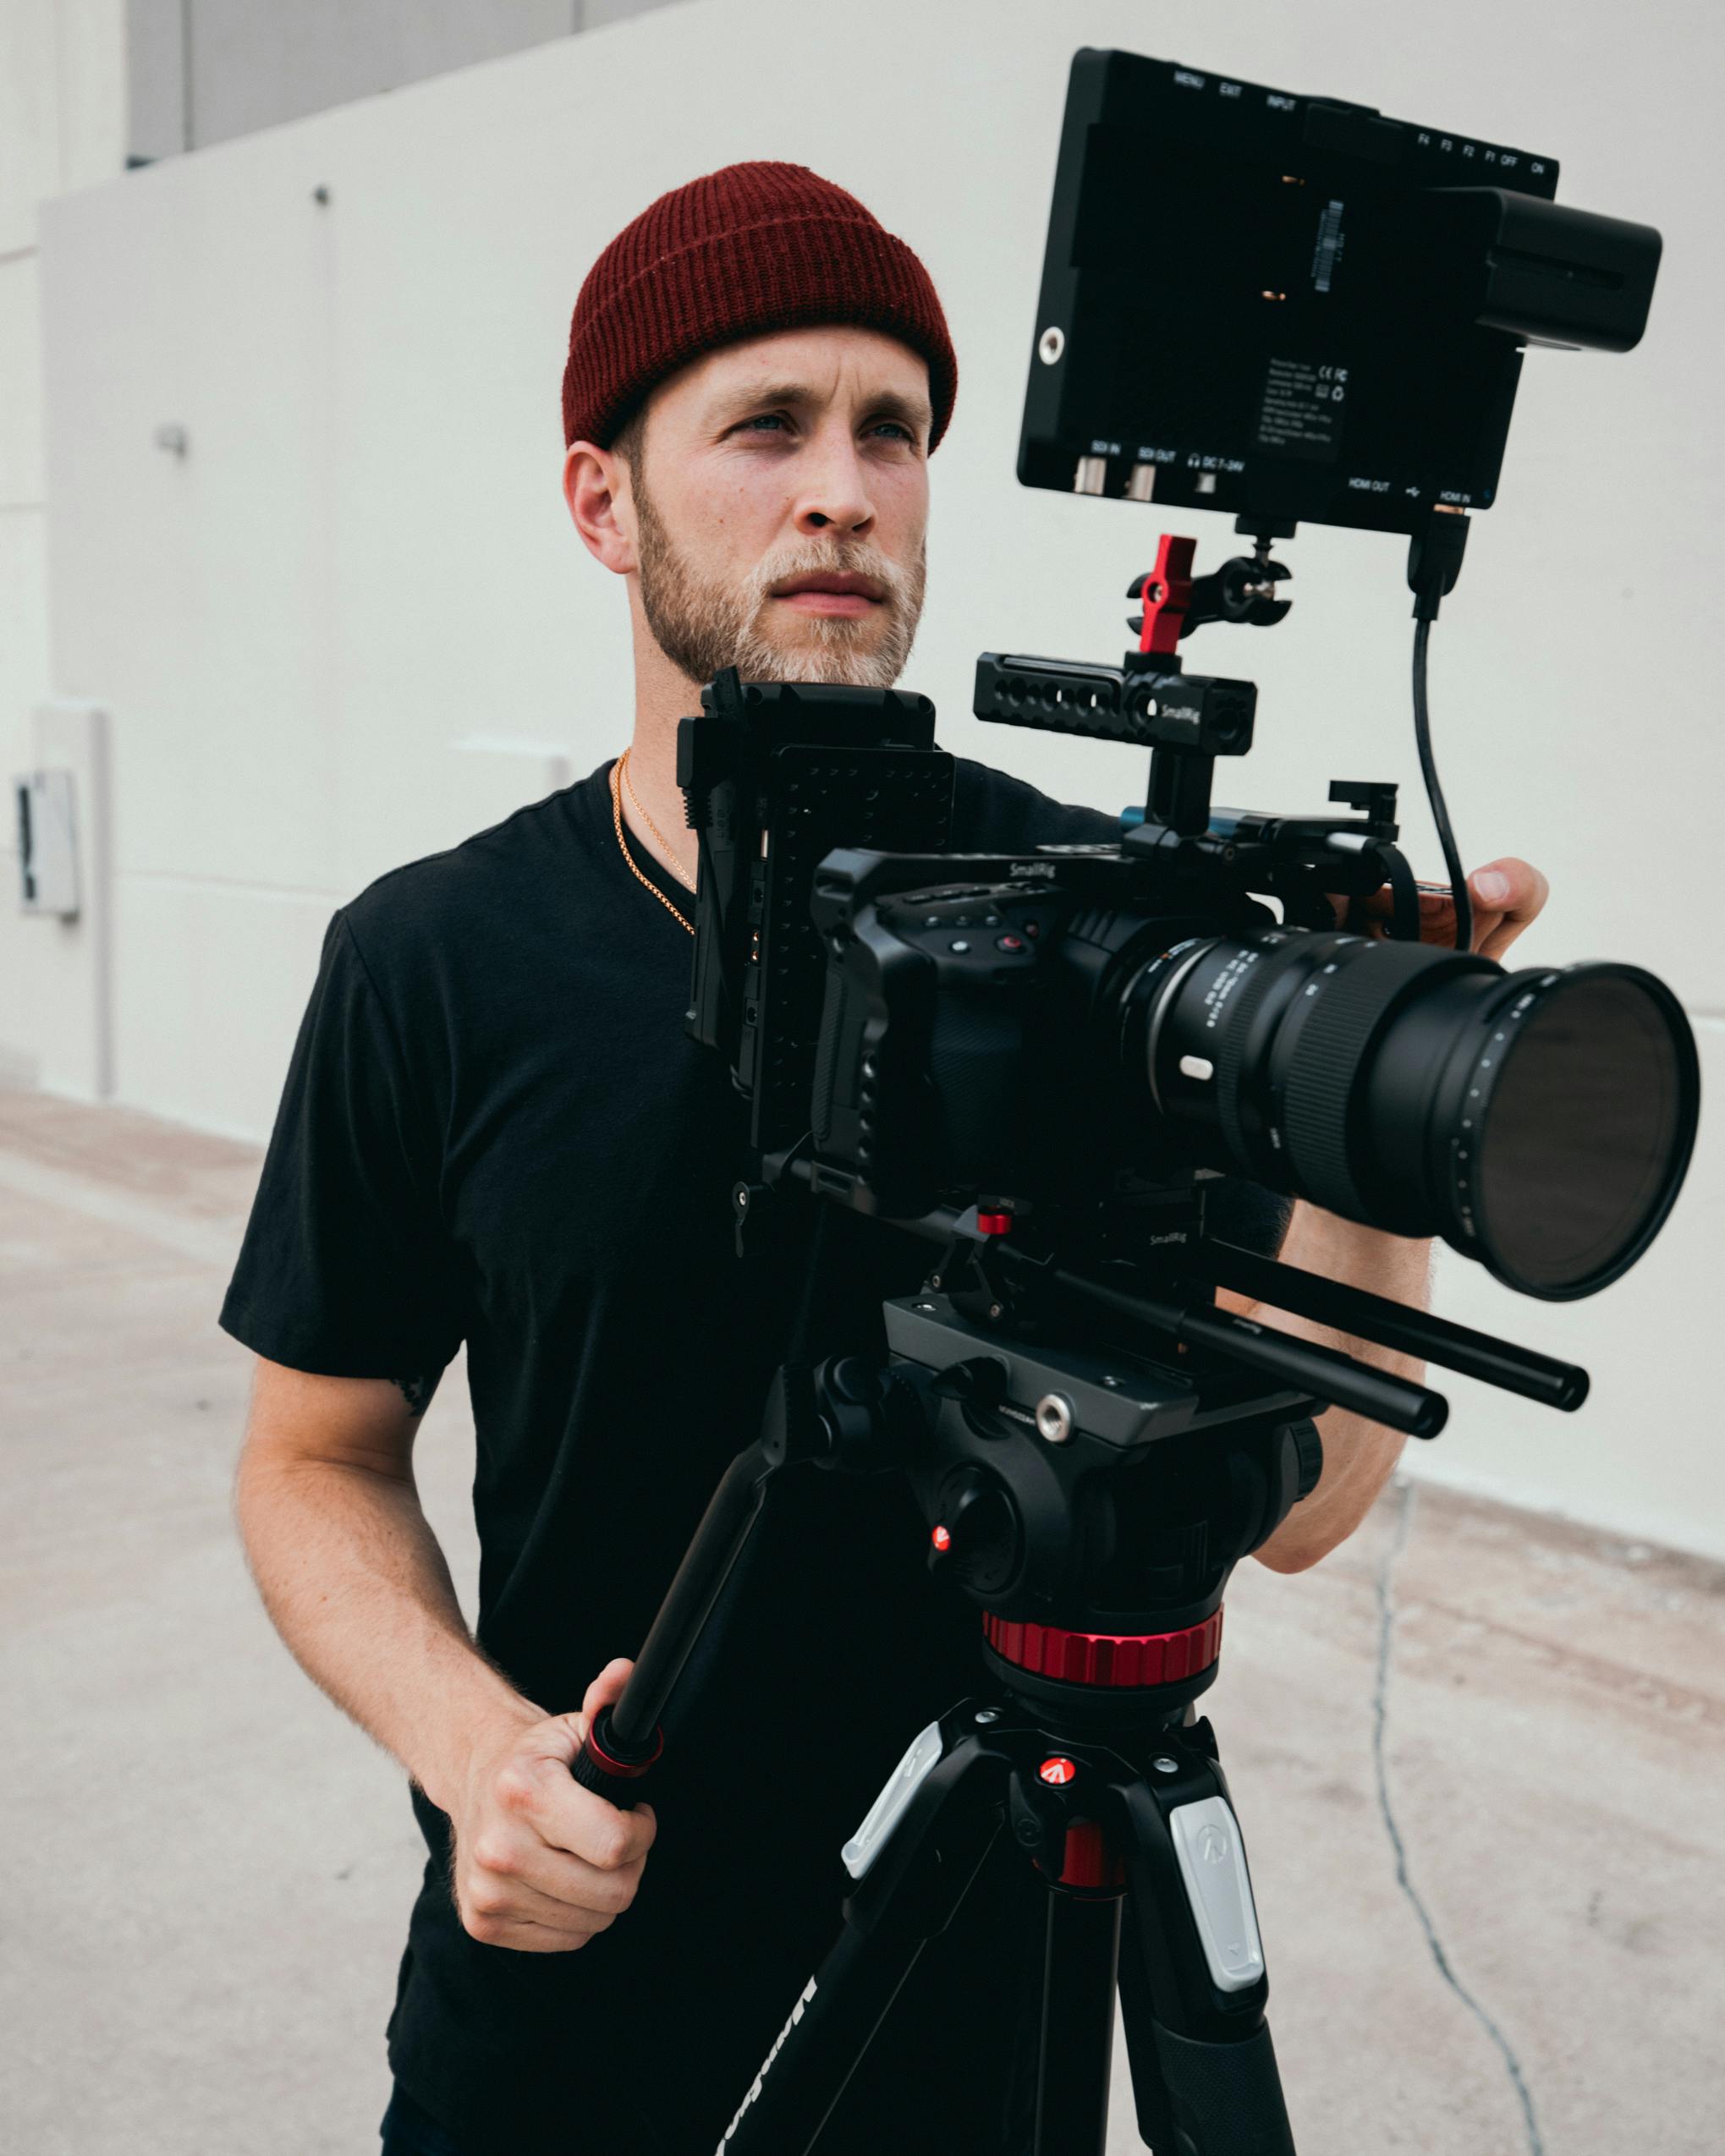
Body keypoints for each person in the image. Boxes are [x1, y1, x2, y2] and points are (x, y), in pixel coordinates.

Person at [223, 162, 1548, 2156]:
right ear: (606, 501)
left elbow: (1305, 1506)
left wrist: (1378, 1098)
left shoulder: (1110, 929)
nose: (841, 488)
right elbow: (310, 1453)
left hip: (987, 1985)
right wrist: (471, 1746)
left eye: (892, 433)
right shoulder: (435, 958)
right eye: (765, 426)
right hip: (575, 1984)